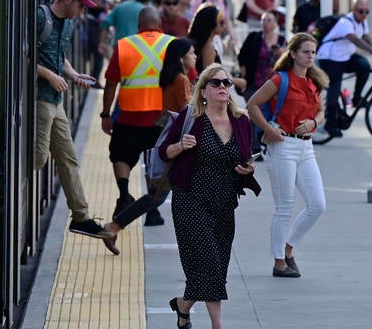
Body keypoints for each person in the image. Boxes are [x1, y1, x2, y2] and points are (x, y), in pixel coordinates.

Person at [161, 64, 260, 329]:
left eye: (227, 83)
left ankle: (183, 305)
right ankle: (218, 325)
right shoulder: (191, 118)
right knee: (210, 265)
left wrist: (248, 168)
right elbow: (163, 152)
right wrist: (181, 145)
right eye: (216, 83)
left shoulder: (241, 121)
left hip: (224, 204)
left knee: (217, 266)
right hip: (190, 201)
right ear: (203, 90)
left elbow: (246, 158)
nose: (223, 88)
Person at [35, 0, 115, 246]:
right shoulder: (40, 17)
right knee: (38, 158)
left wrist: (71, 74)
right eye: (81, 5)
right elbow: (18, 55)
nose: (82, 11)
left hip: (55, 101)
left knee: (68, 158)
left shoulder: (68, 23)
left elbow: (59, 55)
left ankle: (81, 217)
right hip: (38, 99)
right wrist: (48, 75)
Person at [100, 38, 197, 247]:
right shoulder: (181, 80)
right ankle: (113, 226)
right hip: (178, 145)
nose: (195, 56)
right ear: (181, 58)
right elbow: (186, 114)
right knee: (157, 196)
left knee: (161, 194)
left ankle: (114, 227)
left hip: (170, 140)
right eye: (191, 52)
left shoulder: (170, 78)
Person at [246, 33, 327, 278]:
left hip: (306, 146)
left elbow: (321, 112)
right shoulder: (280, 80)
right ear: (293, 54)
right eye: (305, 52)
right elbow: (252, 104)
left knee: (317, 205)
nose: (310, 56)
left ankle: (288, 248)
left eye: (313, 52)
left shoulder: (314, 81)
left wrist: (313, 121)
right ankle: (279, 261)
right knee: (284, 207)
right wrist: (270, 129)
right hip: (282, 146)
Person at [100, 6, 174, 226]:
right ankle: (151, 212)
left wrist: (106, 114)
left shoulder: (124, 45)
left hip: (129, 117)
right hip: (162, 120)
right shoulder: (172, 45)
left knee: (120, 155)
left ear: (138, 25)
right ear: (159, 22)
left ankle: (124, 193)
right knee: (155, 165)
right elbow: (187, 79)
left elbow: (111, 83)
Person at [315, 0, 372, 139]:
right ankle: (330, 124)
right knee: (335, 87)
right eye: (361, 11)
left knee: (364, 66)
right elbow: (355, 39)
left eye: (366, 12)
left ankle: (357, 97)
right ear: (353, 10)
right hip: (330, 57)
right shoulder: (345, 22)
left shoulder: (363, 22)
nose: (364, 15)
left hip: (345, 57)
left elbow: (366, 37)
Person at [237, 11, 287, 153]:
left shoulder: (282, 41)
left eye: (269, 20)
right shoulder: (254, 37)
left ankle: (267, 141)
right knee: (253, 112)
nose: (265, 23)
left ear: (276, 23)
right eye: (263, 20)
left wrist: (280, 54)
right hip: (253, 82)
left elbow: (288, 61)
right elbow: (242, 55)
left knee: (270, 115)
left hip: (274, 85)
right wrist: (243, 69)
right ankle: (254, 147)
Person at [87, 0, 115, 83]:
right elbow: (96, 6)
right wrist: (105, 6)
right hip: (95, 27)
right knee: (99, 53)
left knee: (99, 54)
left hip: (96, 26)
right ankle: (95, 80)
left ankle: (94, 79)